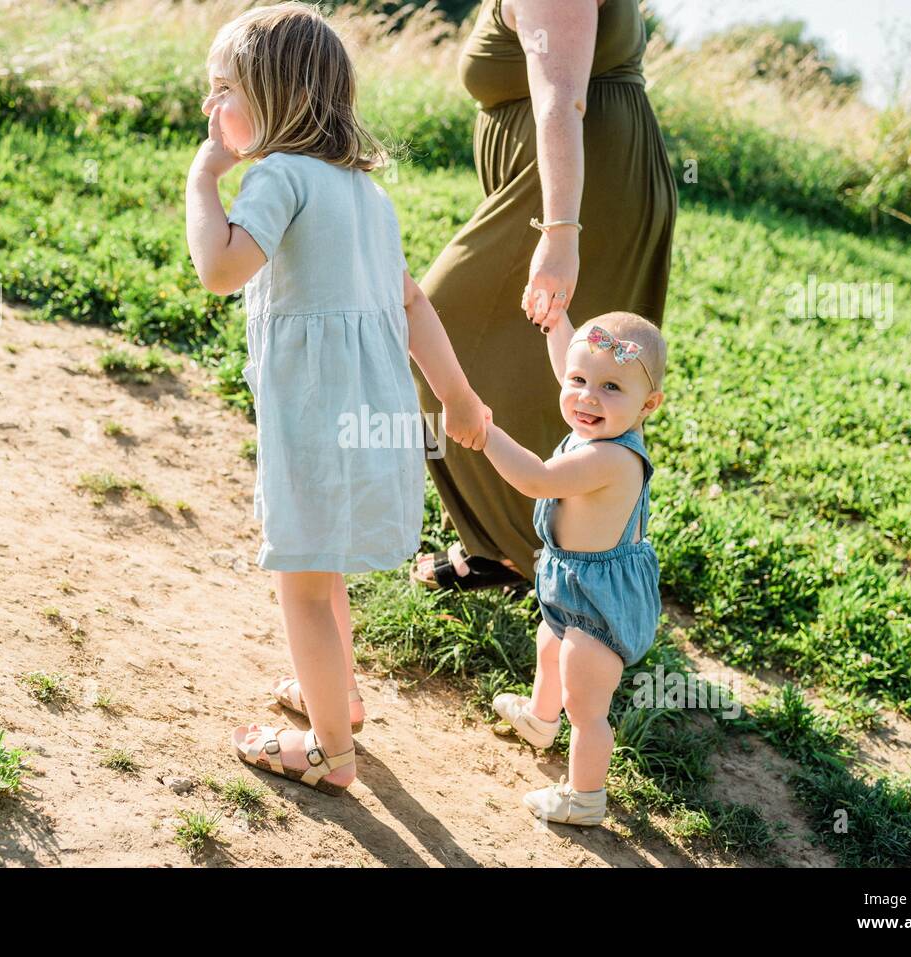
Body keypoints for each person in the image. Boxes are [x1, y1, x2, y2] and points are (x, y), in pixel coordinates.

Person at [184, 2, 489, 795]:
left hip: (318, 417)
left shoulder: (278, 177)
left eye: (223, 89)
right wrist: (456, 396)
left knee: (302, 584)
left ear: (273, 95)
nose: (209, 108)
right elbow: (412, 303)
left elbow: (219, 269)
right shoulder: (365, 194)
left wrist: (203, 177)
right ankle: (340, 698)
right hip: (374, 411)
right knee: (326, 571)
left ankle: (327, 753)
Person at [411, 0, 676, 593]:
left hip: (578, 199)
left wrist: (559, 234)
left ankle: (523, 548)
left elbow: (561, 98)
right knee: (544, 362)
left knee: (436, 324)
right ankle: (527, 546)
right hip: (566, 185)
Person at [481, 311, 665, 825]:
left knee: (586, 704)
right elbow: (569, 359)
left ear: (648, 405)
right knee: (550, 647)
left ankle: (585, 797)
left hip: (602, 602)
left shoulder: (612, 458)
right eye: (579, 380)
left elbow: (537, 478)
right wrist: (555, 319)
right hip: (573, 579)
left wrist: (486, 432)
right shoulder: (598, 421)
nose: (586, 396)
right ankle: (541, 720)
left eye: (610, 387)